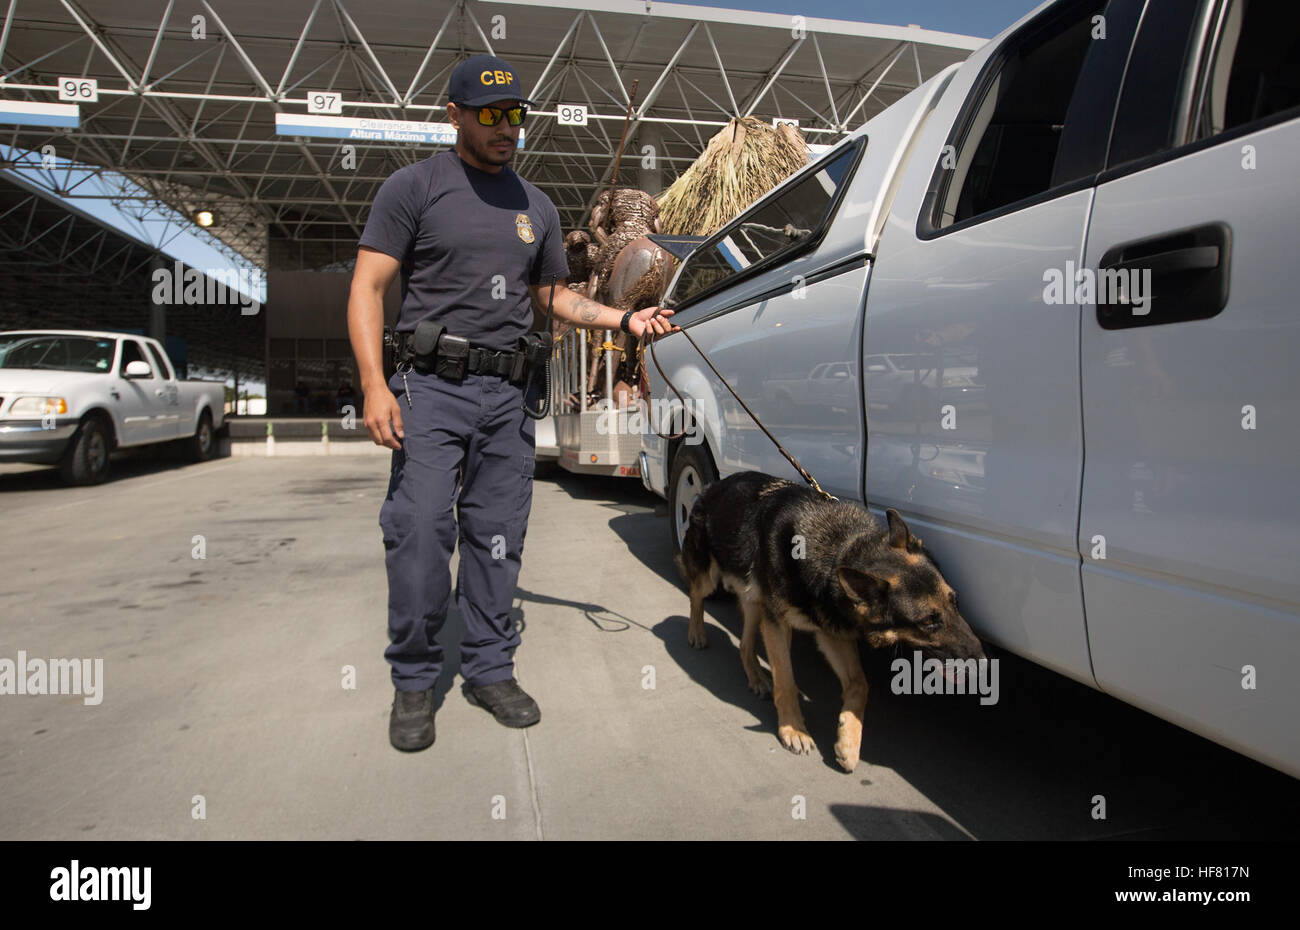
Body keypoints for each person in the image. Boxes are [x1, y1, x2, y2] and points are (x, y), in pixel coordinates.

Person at [347, 54, 678, 752]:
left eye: (516, 116)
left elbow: (551, 296)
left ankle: (490, 669)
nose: (507, 128)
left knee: (498, 540)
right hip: (429, 389)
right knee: (420, 534)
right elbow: (368, 287)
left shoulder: (537, 207)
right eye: (491, 115)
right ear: (455, 115)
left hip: (507, 397)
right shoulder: (415, 188)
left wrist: (625, 320)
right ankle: (413, 678)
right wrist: (374, 385)